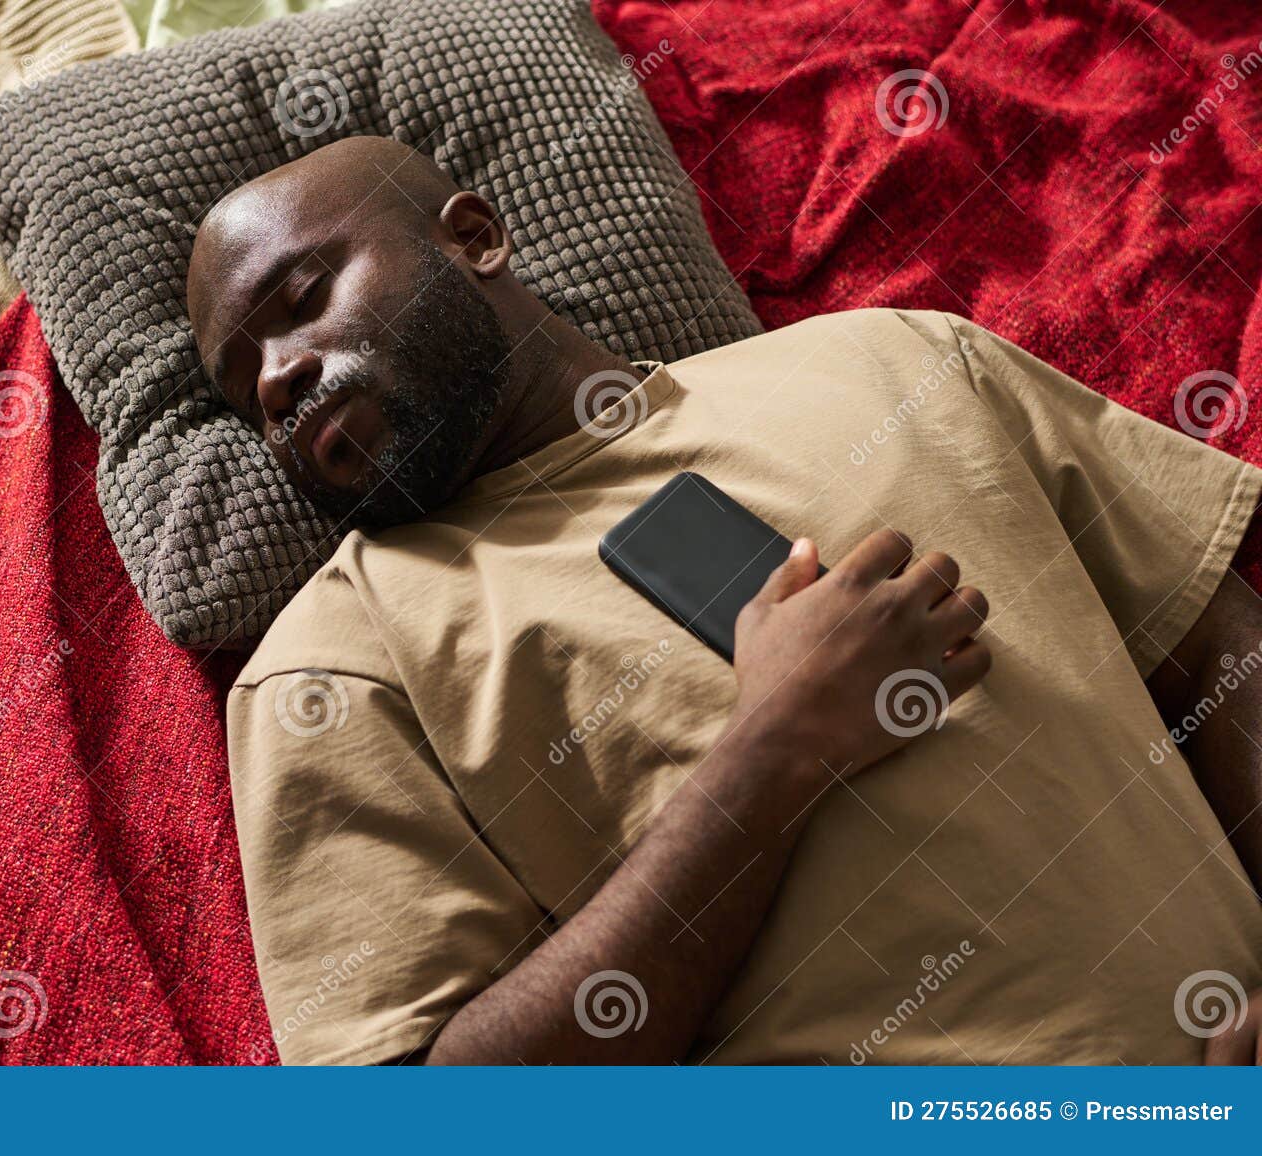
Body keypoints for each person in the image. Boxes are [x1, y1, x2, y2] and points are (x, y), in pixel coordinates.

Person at [186, 136, 1262, 1065]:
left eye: (300, 299)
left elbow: (1210, 641)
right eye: (247, 391)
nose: (279, 378)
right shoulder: (335, 667)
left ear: (474, 237)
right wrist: (772, 753)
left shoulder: (893, 359)